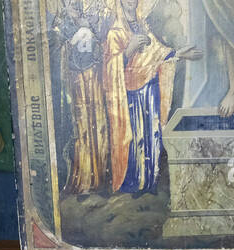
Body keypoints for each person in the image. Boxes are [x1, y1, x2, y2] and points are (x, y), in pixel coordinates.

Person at [104, 0, 202, 194]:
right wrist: (128, 50)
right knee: (135, 137)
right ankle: (132, 183)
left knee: (151, 134)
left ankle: (149, 182)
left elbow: (158, 52)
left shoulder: (142, 26)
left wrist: (179, 54)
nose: (131, 1)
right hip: (130, 95)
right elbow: (109, 68)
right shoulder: (115, 32)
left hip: (150, 88)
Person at [55, 0, 114, 195]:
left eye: (77, 5)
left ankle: (100, 178)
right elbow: (59, 47)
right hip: (76, 82)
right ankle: (84, 180)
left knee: (98, 125)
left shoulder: (95, 17)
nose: (77, 8)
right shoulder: (64, 25)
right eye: (72, 5)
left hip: (94, 79)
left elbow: (103, 42)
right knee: (81, 129)